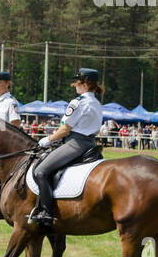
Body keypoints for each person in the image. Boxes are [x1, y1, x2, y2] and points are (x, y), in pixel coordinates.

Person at [28, 68, 104, 226]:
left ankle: (47, 213)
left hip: (76, 143)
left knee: (41, 171)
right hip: (90, 142)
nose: (74, 85)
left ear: (84, 84)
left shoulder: (78, 102)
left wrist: (47, 139)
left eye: (77, 82)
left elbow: (65, 129)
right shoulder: (96, 102)